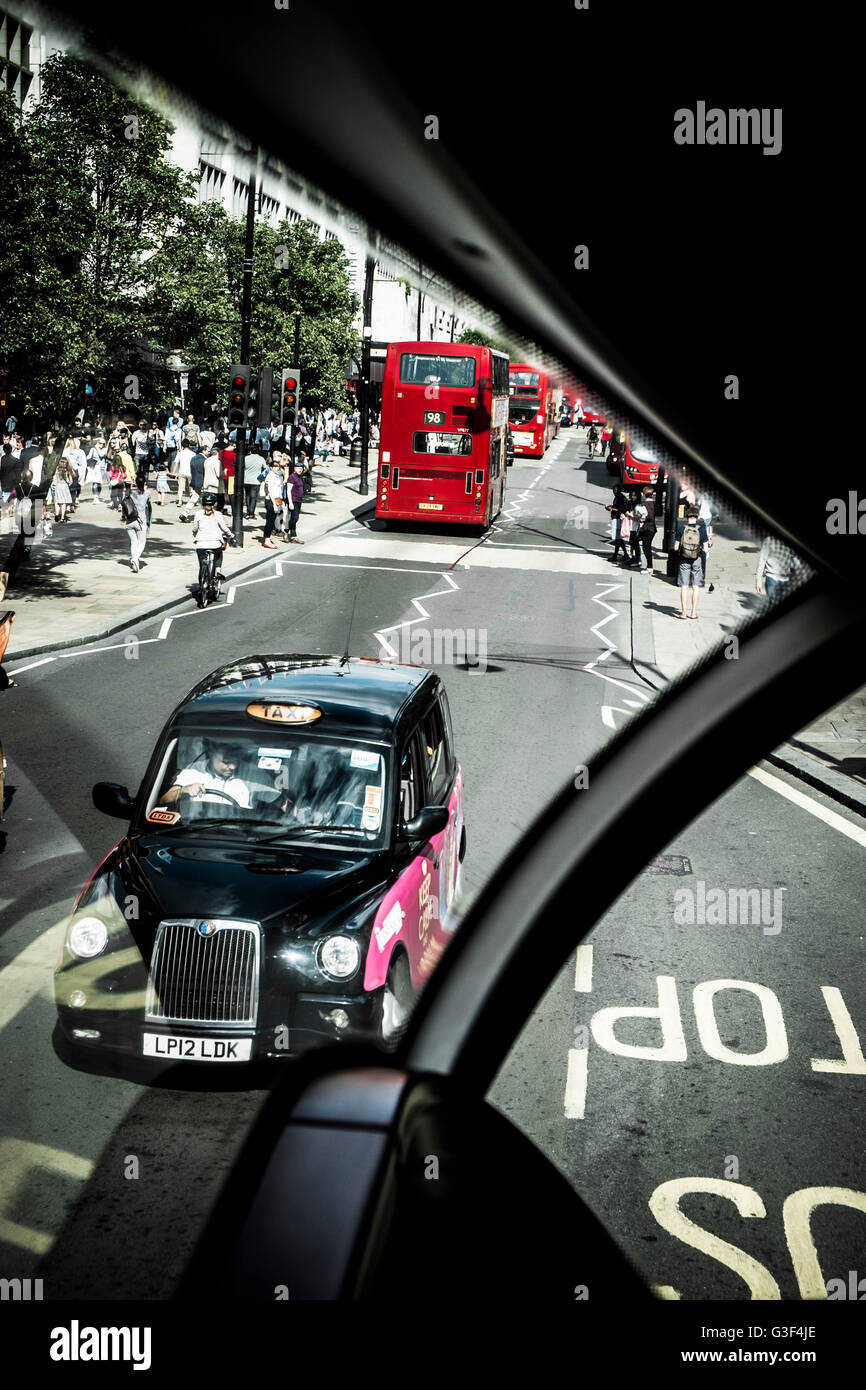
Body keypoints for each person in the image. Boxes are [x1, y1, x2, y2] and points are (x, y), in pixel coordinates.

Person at [161, 739, 251, 810]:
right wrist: (182, 791)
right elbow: (164, 800)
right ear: (211, 754)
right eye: (226, 762)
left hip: (234, 831)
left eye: (235, 761)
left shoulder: (250, 777)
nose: (233, 767)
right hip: (195, 828)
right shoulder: (193, 772)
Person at [190, 492, 234, 607]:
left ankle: (202, 585)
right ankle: (217, 574)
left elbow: (194, 528)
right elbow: (224, 528)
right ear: (214, 504)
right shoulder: (218, 514)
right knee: (219, 556)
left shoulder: (198, 514)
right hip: (215, 544)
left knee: (202, 565)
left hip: (201, 544)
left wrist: (195, 535)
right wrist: (231, 536)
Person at [673, 503, 709, 619]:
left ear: (687, 516)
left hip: (684, 559)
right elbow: (706, 549)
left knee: (684, 586)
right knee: (695, 586)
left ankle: (683, 613)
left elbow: (676, 547)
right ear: (697, 517)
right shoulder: (702, 529)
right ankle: (693, 613)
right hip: (697, 559)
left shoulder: (681, 528)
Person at [756, 535, 798, 603]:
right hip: (772, 578)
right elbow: (762, 560)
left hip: (785, 579)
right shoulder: (769, 540)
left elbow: (794, 558)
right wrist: (758, 580)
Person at [122, 473, 150, 573]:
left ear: (136, 483)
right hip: (140, 521)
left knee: (134, 542)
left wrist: (133, 485)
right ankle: (135, 558)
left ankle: (135, 561)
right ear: (144, 483)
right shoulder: (147, 493)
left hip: (129, 521)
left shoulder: (130, 492)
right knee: (142, 542)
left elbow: (125, 499)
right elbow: (147, 500)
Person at [262, 454, 285, 549]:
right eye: (274, 466)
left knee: (272, 520)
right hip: (271, 500)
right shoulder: (271, 476)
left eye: (277, 466)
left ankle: (268, 538)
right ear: (271, 467)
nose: (276, 468)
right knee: (270, 521)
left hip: (277, 499)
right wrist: (274, 504)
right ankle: (267, 540)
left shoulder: (277, 476)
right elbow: (271, 491)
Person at [605, 483, 630, 563]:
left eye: (616, 490)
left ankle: (615, 556)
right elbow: (617, 507)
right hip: (616, 518)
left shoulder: (621, 498)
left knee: (617, 539)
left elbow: (621, 509)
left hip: (618, 519)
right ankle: (625, 555)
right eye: (613, 490)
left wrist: (611, 508)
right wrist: (611, 507)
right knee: (618, 538)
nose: (614, 492)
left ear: (619, 490)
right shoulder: (618, 497)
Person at [638, 484, 657, 574]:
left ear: (644, 494)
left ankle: (649, 567)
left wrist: (641, 517)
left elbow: (648, 517)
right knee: (646, 547)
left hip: (647, 529)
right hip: (651, 528)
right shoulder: (653, 503)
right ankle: (649, 566)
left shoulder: (646, 504)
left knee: (646, 548)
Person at [243, 444, 267, 519]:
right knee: (253, 497)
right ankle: (251, 513)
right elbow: (266, 469)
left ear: (250, 451)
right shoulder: (261, 459)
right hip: (256, 480)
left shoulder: (245, 458)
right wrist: (262, 477)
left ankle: (248, 512)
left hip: (246, 480)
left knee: (247, 496)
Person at [285, 459, 305, 543]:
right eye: (298, 468)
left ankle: (294, 536)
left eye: (301, 468)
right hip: (293, 500)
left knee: (295, 518)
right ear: (294, 468)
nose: (300, 470)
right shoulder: (292, 477)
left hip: (299, 500)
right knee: (294, 518)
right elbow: (288, 490)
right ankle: (285, 532)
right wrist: (290, 502)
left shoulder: (299, 476)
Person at [52, 457, 74, 522]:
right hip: (64, 487)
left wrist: (54, 485)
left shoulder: (57, 470)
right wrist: (69, 483)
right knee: (63, 503)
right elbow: (70, 481)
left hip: (57, 487)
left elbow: (54, 478)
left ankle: (56, 514)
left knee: (57, 502)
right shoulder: (67, 471)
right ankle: (62, 518)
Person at [164, 408, 184, 475]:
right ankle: (172, 470)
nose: (174, 414)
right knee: (171, 456)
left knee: (173, 456)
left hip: (175, 437)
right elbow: (167, 426)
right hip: (172, 439)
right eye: (173, 413)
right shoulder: (170, 419)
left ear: (178, 414)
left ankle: (172, 470)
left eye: (175, 413)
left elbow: (180, 427)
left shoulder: (181, 420)